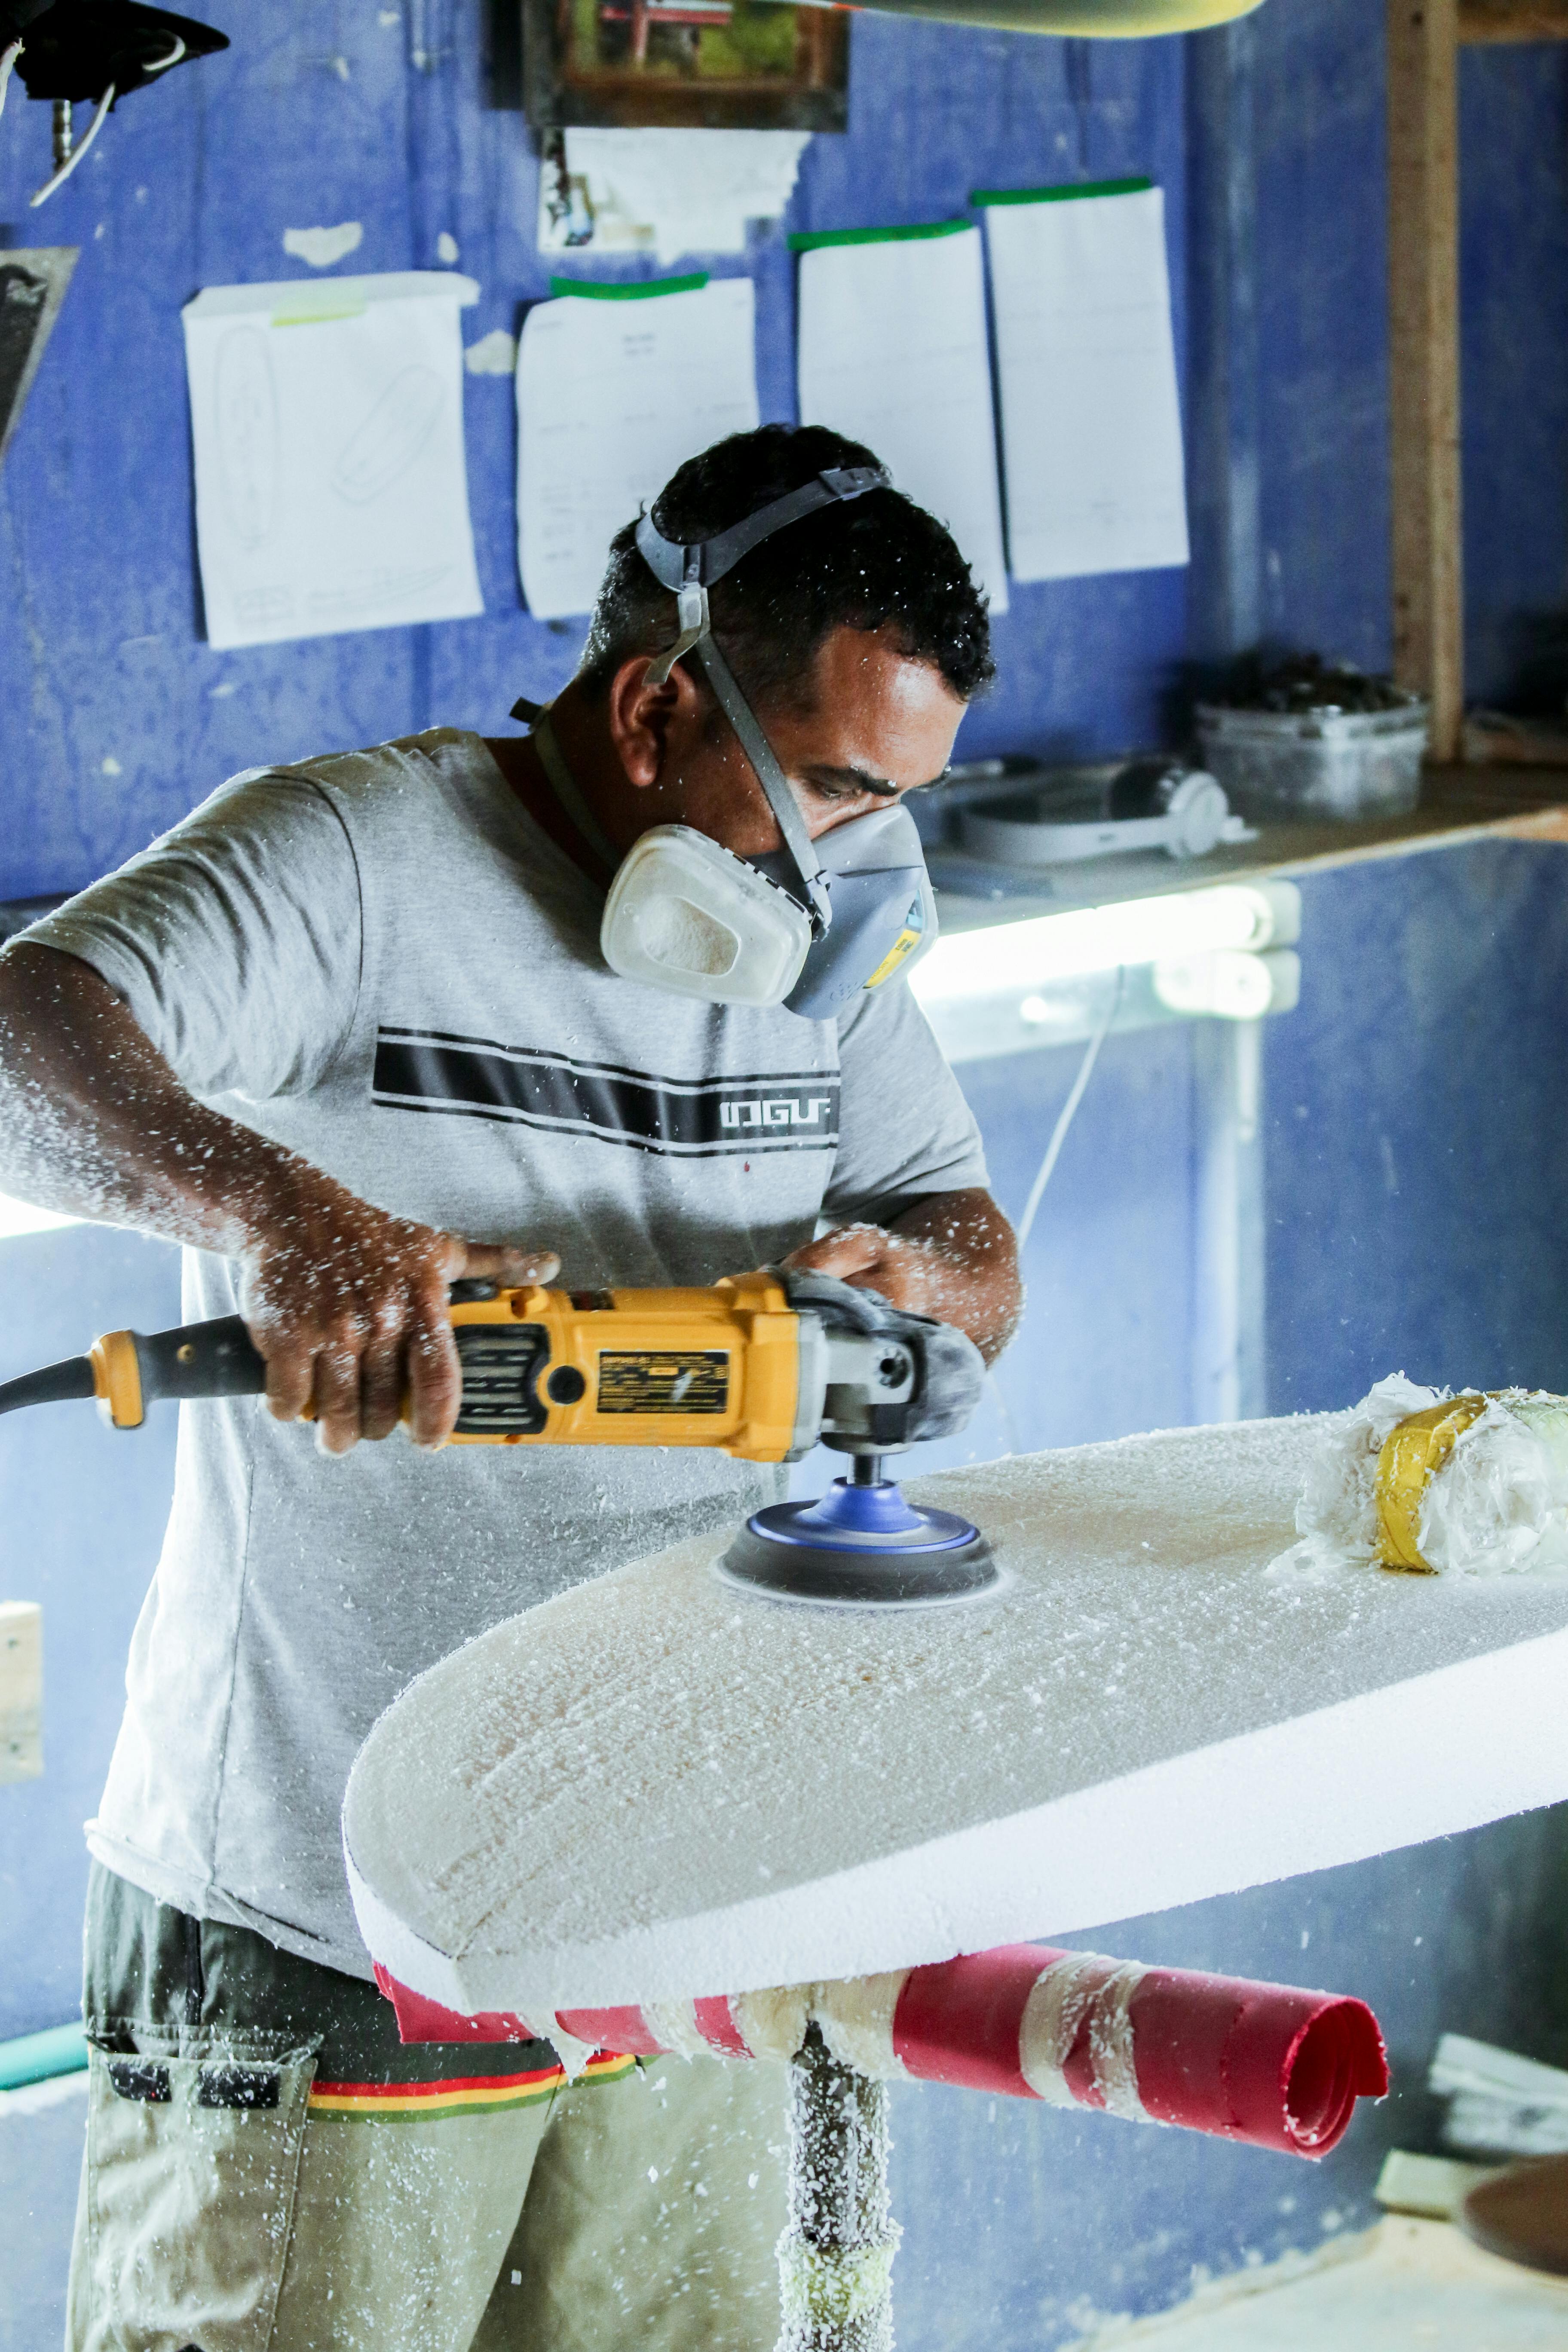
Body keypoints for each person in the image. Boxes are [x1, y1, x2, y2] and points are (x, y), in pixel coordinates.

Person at [0, 422, 1021, 2352]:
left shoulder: (823, 941)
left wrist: (939, 1289)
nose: (858, 857)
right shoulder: (357, 859)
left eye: (897, 801)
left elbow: (959, 1233)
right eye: (823, 784)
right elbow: (19, 1039)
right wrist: (273, 1208)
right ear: (653, 709)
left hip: (697, 1876)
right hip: (334, 1907)